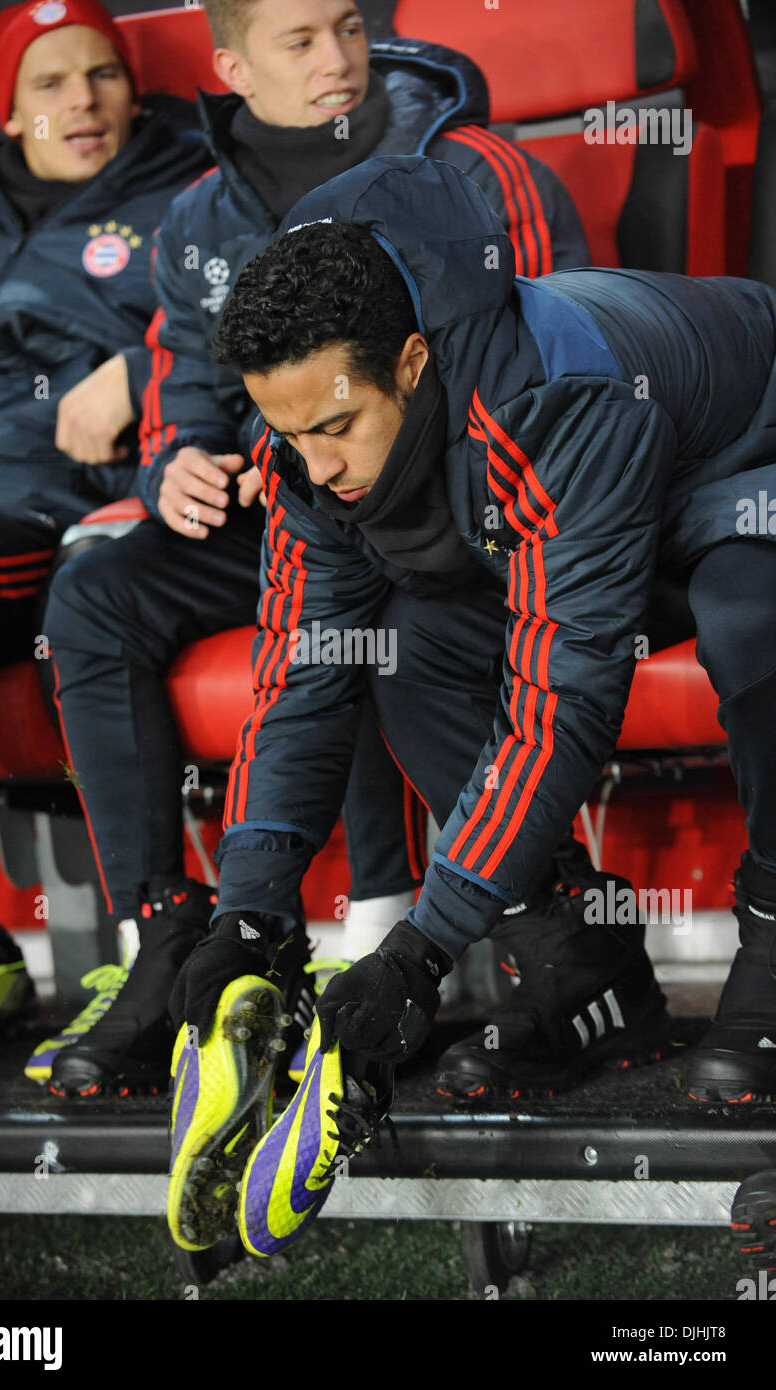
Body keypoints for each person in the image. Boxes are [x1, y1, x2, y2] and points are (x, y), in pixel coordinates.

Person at [166, 153, 776, 1257]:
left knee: (754, 618)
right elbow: (303, 667)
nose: (312, 464)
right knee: (400, 645)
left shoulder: (554, 398)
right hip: (594, 511)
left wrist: (418, 951)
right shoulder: (315, 428)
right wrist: (248, 909)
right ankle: (577, 960)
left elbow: (563, 702)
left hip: (740, 449)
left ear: (412, 361)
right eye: (288, 435)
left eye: (336, 428)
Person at [41, 0, 593, 1100]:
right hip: (267, 509)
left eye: (346, 25)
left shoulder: (476, 168)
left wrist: (341, 449)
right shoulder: (197, 216)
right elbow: (179, 401)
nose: (337, 60)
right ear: (231, 64)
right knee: (93, 597)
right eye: (299, 41)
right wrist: (178, 467)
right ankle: (167, 937)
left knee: (365, 605)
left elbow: (551, 360)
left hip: (444, 497)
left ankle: (423, 930)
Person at [0, 0, 211, 1074]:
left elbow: (247, 317)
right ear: (5, 105)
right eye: (50, 83)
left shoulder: (190, 195)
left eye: (103, 76)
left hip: (51, 510)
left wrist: (141, 370)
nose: (82, 101)